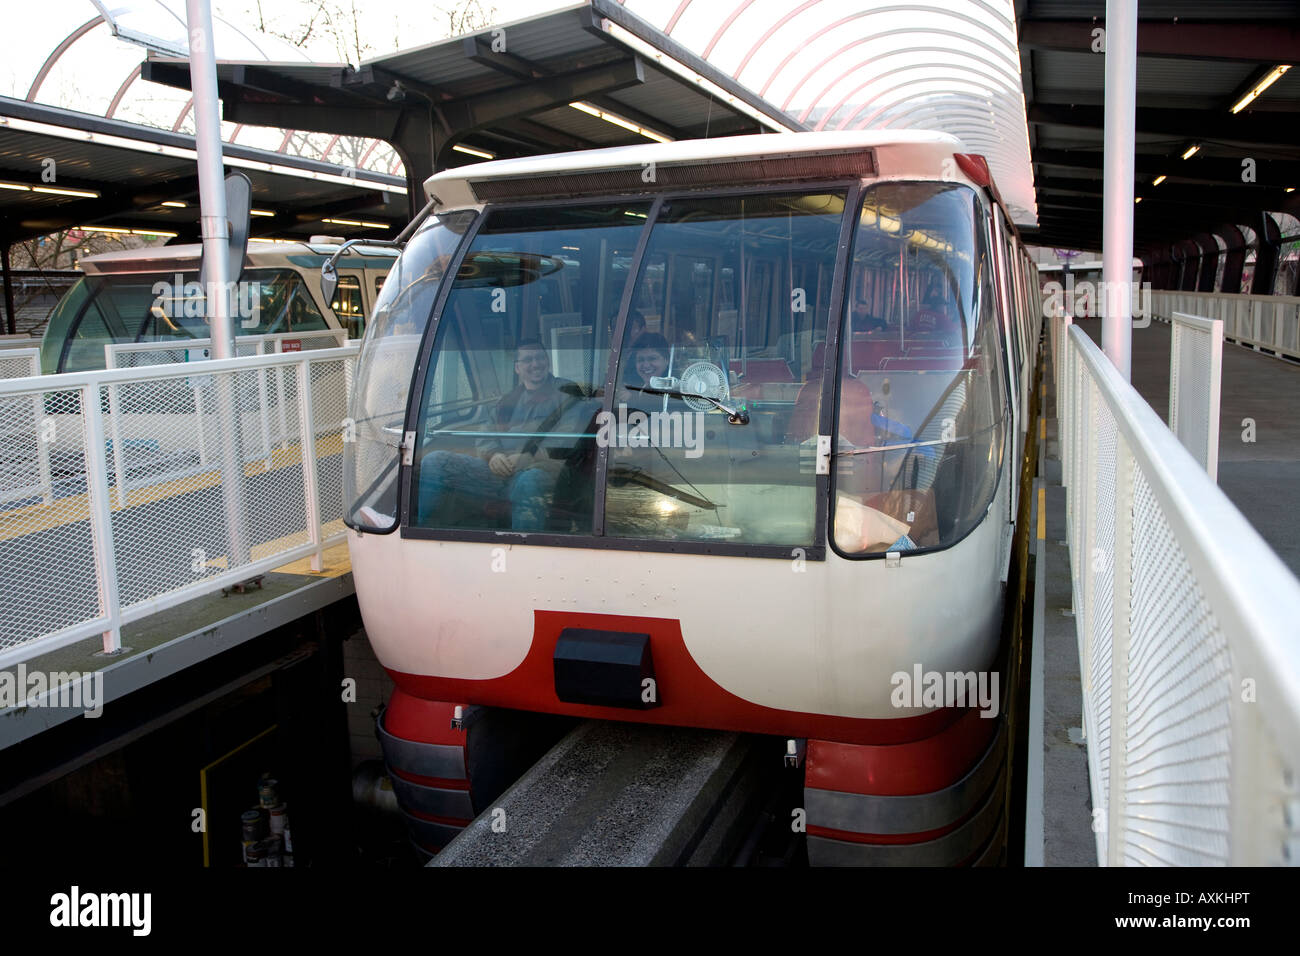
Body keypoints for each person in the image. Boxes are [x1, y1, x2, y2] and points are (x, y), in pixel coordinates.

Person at [417, 340, 589, 530]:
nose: (535, 364)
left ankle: (524, 549)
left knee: (527, 482)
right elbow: (486, 433)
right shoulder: (508, 400)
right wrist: (494, 456)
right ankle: (423, 533)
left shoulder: (565, 392)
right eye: (528, 360)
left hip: (549, 467)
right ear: (517, 368)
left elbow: (568, 436)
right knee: (435, 461)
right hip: (503, 471)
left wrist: (530, 456)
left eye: (540, 357)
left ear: (547, 361)